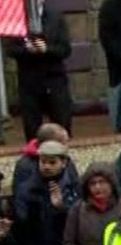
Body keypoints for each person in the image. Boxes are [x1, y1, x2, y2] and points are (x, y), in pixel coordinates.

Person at [2, 0, 72, 141]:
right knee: (32, 128)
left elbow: (65, 49)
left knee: (62, 122)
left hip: (54, 79)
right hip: (29, 80)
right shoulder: (17, 17)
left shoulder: (55, 16)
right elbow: (10, 49)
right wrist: (28, 49)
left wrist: (47, 49)